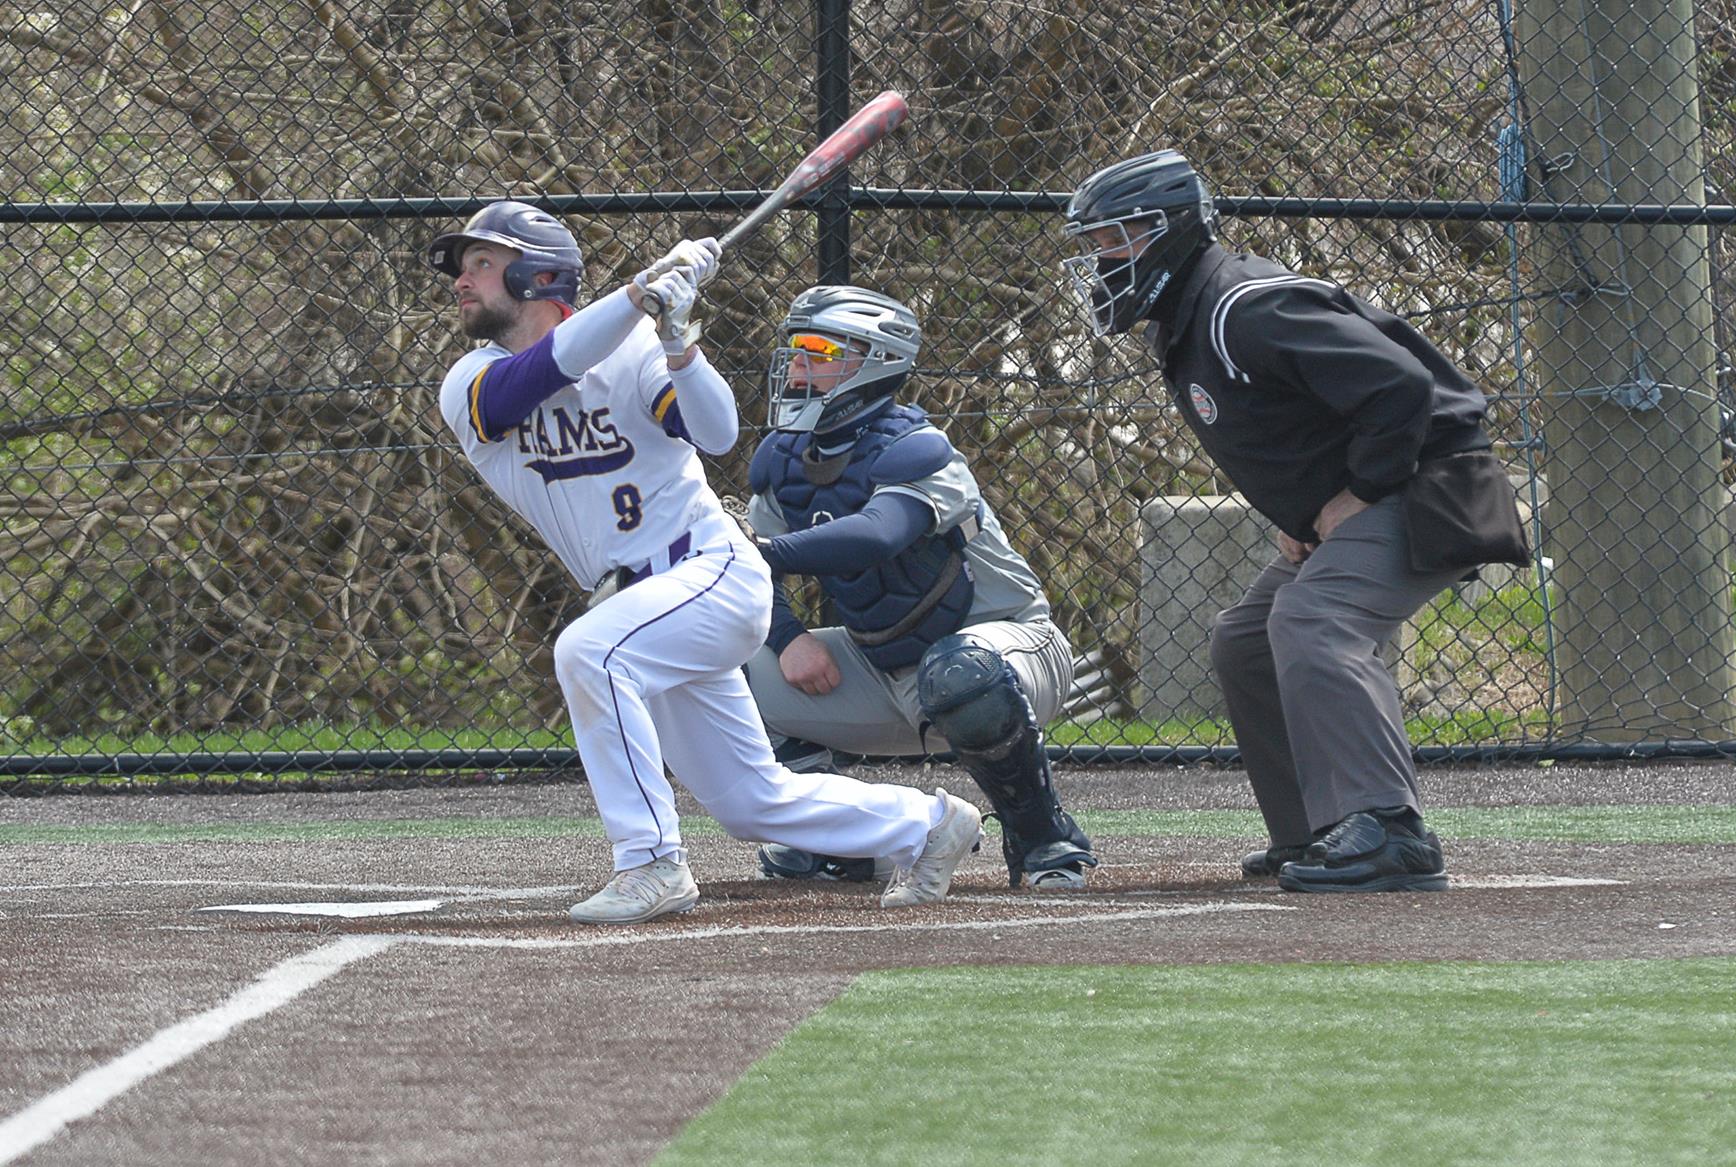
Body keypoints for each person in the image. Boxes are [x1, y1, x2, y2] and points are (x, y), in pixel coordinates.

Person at [426, 201, 981, 922]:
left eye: (481, 264)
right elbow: (545, 370)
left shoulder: (634, 353)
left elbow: (716, 434)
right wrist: (633, 295)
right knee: (752, 801)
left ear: (539, 274)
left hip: (709, 571)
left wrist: (681, 342)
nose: (461, 282)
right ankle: (929, 825)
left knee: (589, 654)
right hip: (638, 603)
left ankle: (650, 862)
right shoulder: (469, 381)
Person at [1059, 151, 1526, 893]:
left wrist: (1358, 492)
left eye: (1114, 240)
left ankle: (1390, 828)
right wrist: (1310, 509)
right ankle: (1319, 826)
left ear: (1167, 229)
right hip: (1385, 487)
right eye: (1095, 246)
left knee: (1314, 619)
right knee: (1245, 641)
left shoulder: (1245, 305)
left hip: (1434, 487)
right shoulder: (1189, 316)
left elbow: (1401, 387)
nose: (1102, 262)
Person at [738, 284, 1099, 890]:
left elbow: (880, 533)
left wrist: (761, 552)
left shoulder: (918, 448)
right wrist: (789, 635)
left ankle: (1045, 836)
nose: (798, 364)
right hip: (883, 670)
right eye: (795, 349)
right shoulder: (782, 463)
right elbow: (751, 576)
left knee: (958, 670)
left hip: (1011, 651)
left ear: (874, 363)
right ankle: (841, 843)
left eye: (820, 350)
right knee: (725, 660)